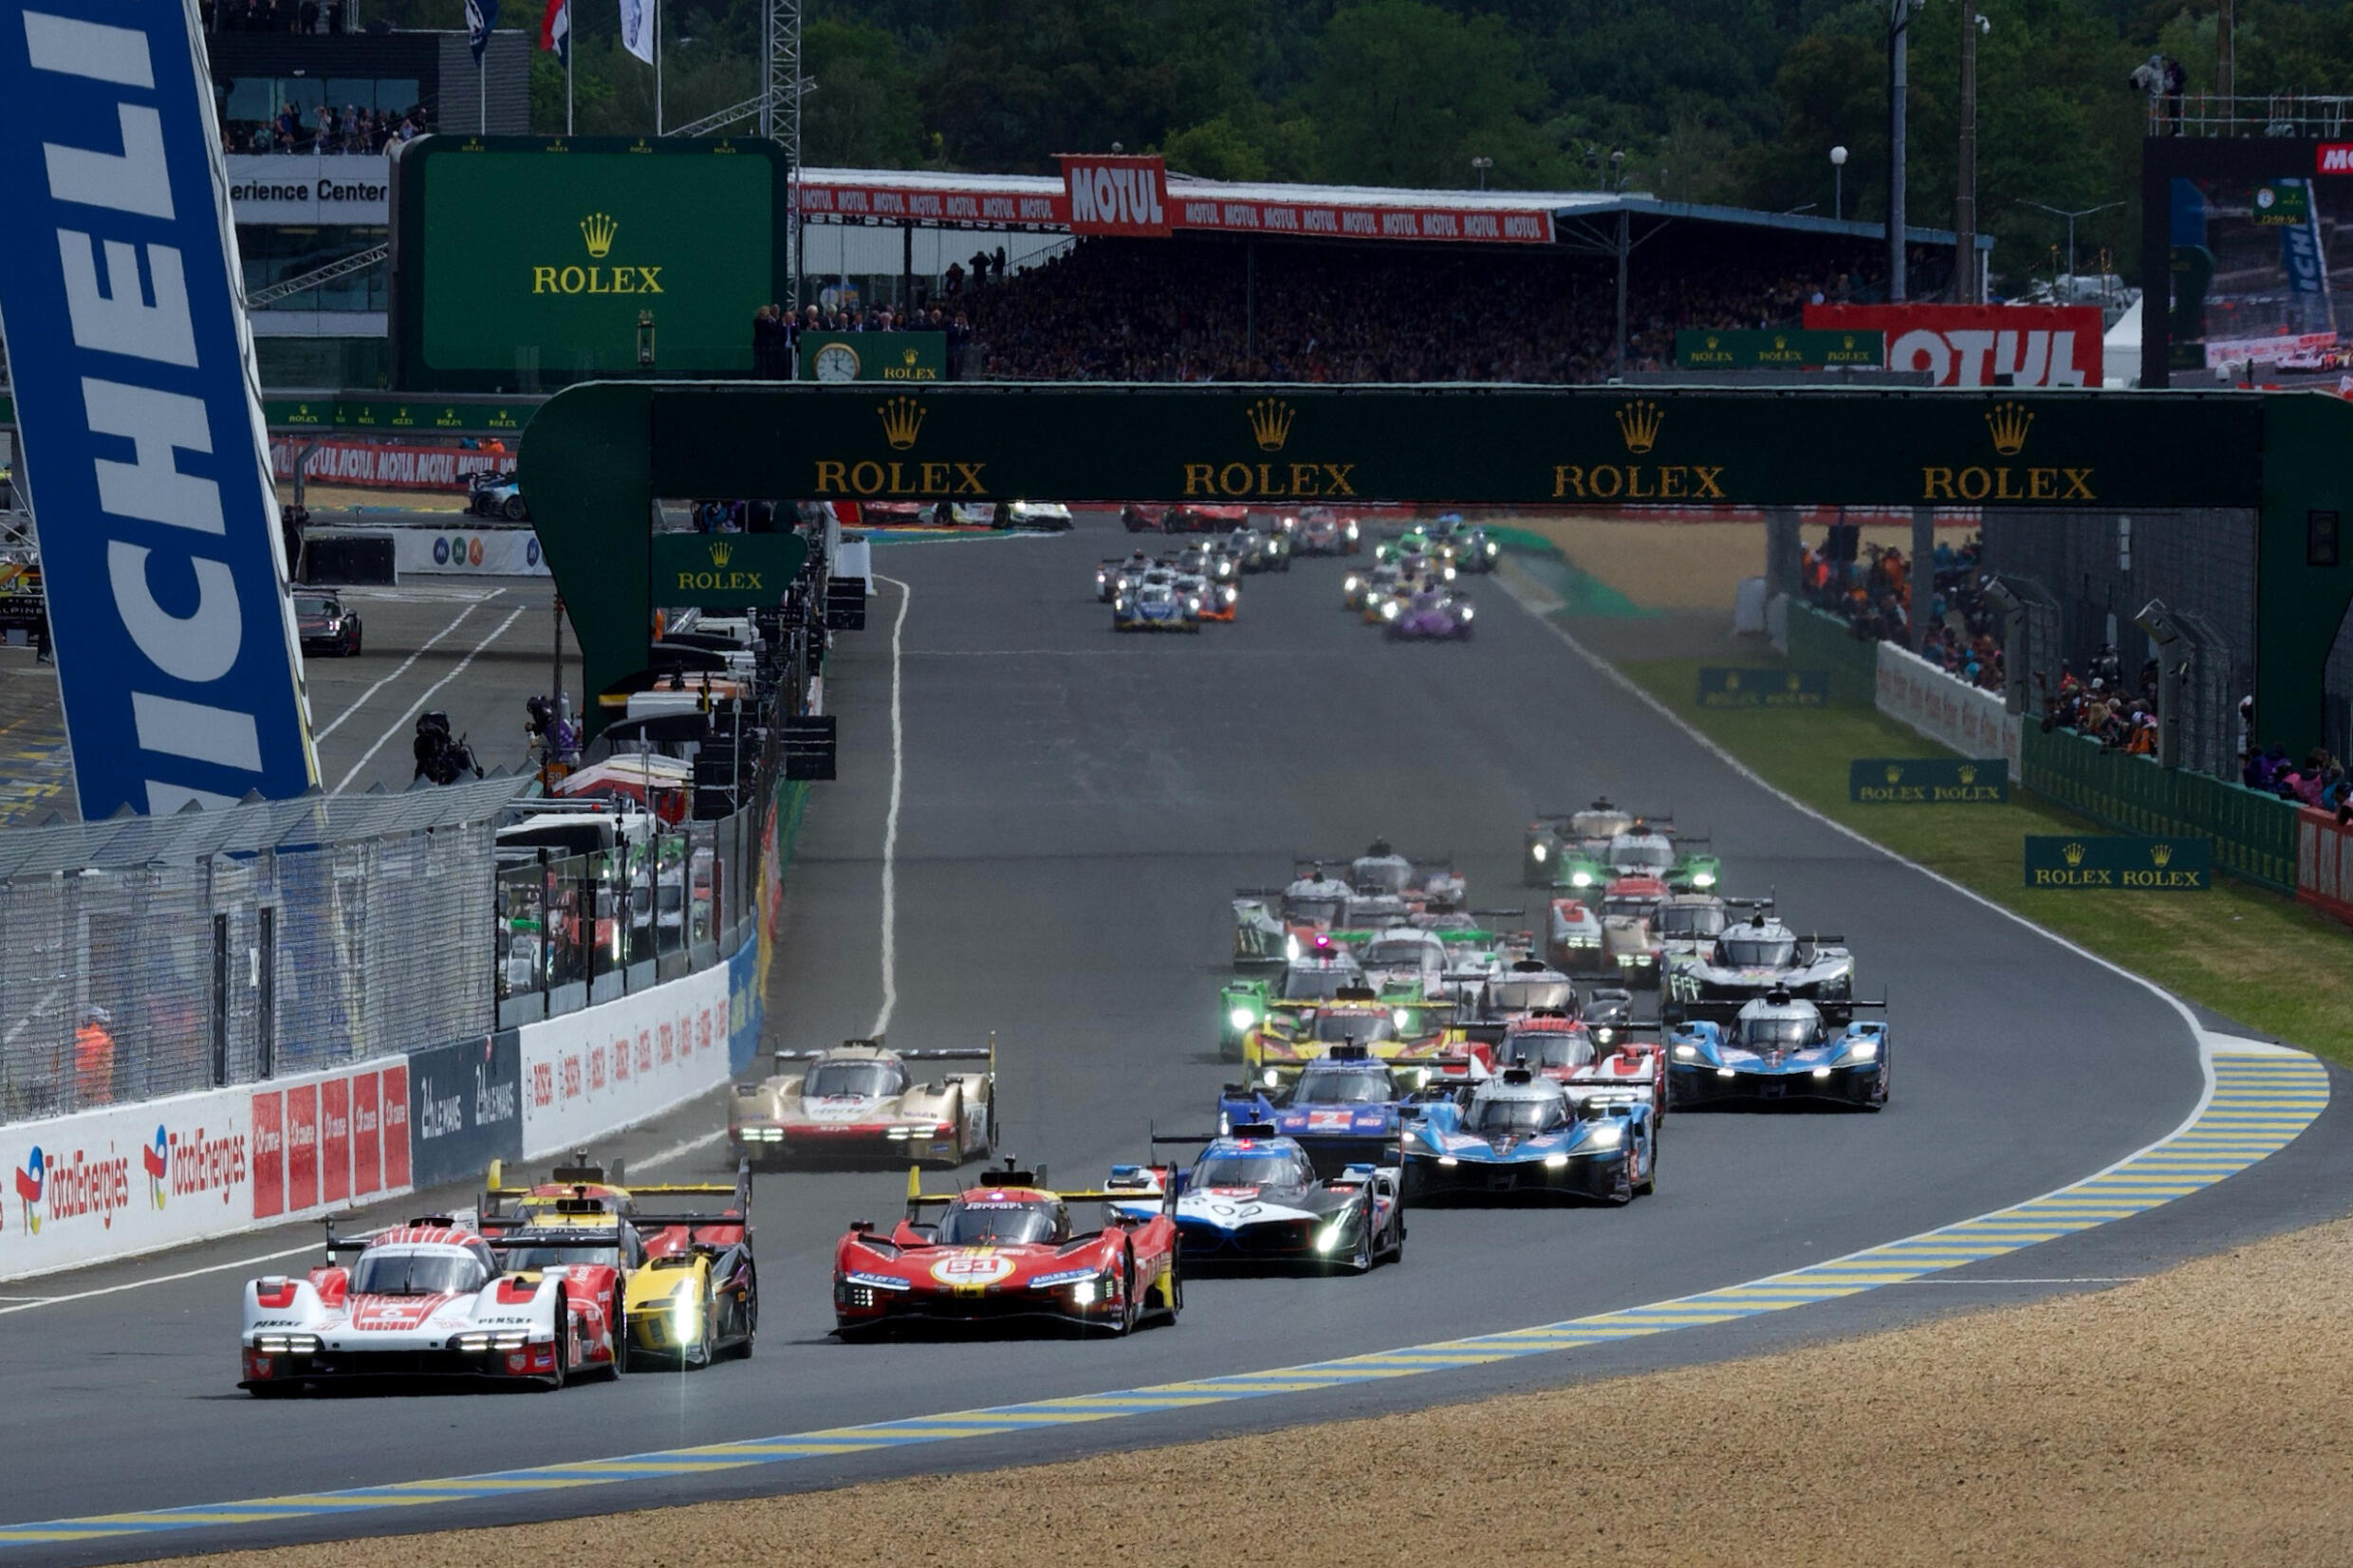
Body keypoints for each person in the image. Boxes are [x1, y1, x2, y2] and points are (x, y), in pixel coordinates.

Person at [75, 1006, 115, 1108]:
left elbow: (55, 1068)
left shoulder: (72, 1038)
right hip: (96, 1097)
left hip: (73, 1096)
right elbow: (104, 1073)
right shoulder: (104, 1042)